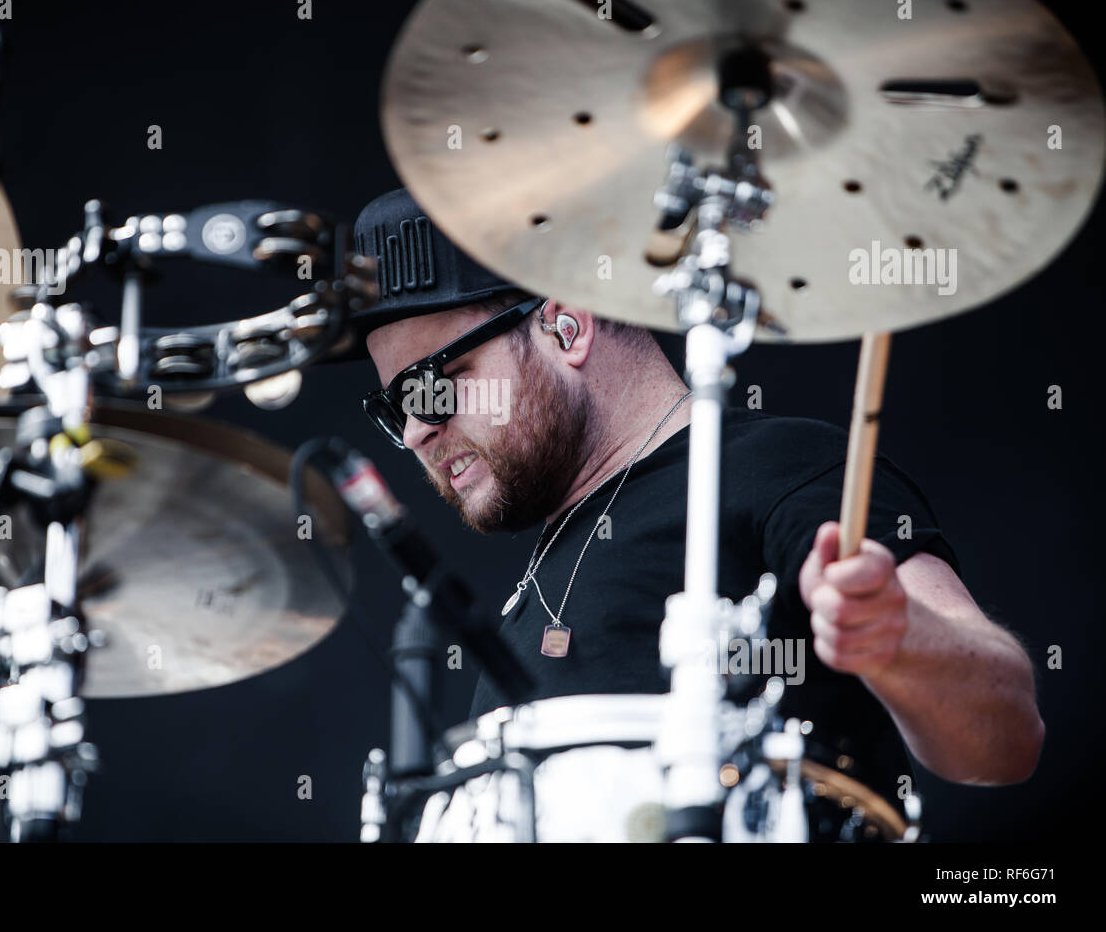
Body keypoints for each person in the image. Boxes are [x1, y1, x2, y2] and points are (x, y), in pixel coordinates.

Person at [346, 187, 1044, 795]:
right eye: (392, 409)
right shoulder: (542, 572)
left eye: (429, 386)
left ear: (566, 325)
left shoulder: (782, 465)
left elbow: (1005, 737)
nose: (414, 432)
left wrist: (901, 636)